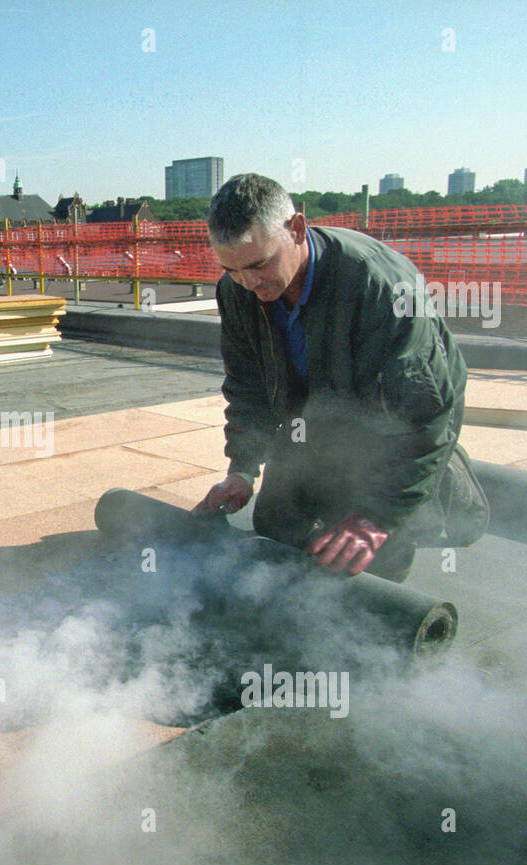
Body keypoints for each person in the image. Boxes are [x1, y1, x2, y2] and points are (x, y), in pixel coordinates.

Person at [193, 173, 487, 581]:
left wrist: (376, 518)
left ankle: (443, 485)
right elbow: (247, 386)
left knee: (369, 554)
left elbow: (426, 414)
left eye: (259, 265)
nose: (249, 283)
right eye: (232, 269)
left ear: (297, 229)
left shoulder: (382, 288)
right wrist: (242, 469)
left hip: (395, 423)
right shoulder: (237, 290)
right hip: (313, 416)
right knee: (277, 525)